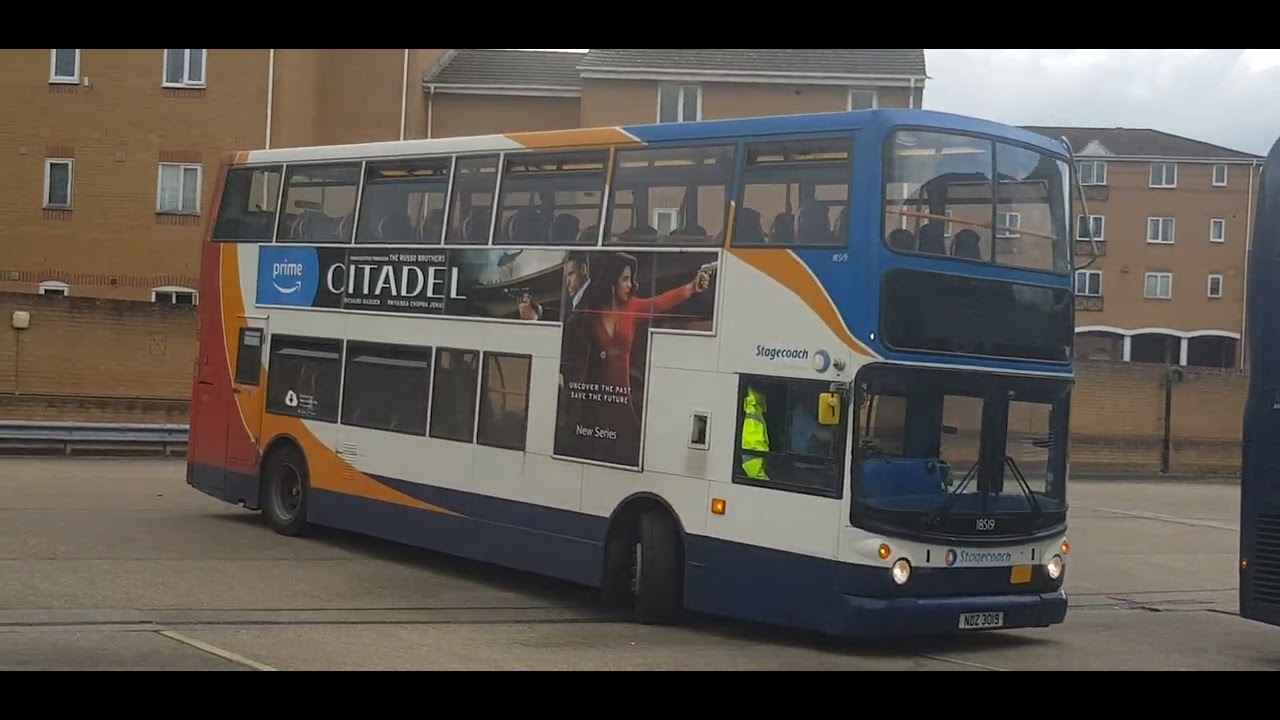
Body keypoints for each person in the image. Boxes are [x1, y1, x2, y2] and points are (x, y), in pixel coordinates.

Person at [740, 384, 770, 480]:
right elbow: (755, 446)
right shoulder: (754, 418)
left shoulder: (754, 412)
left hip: (755, 464)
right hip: (754, 467)